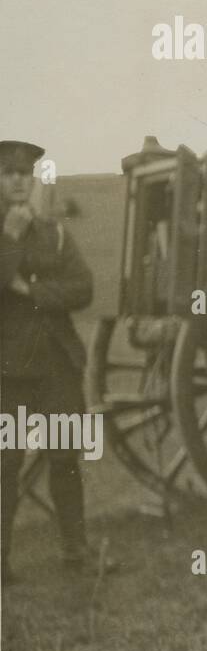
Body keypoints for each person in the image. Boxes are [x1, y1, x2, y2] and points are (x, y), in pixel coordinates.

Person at [0, 139, 99, 585]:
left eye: (26, 174)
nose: (19, 181)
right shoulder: (11, 231)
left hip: (57, 363)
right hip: (9, 369)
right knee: (6, 463)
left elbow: (83, 289)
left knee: (65, 458)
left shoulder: (56, 233)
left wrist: (29, 291)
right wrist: (11, 239)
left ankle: (76, 551)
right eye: (8, 174)